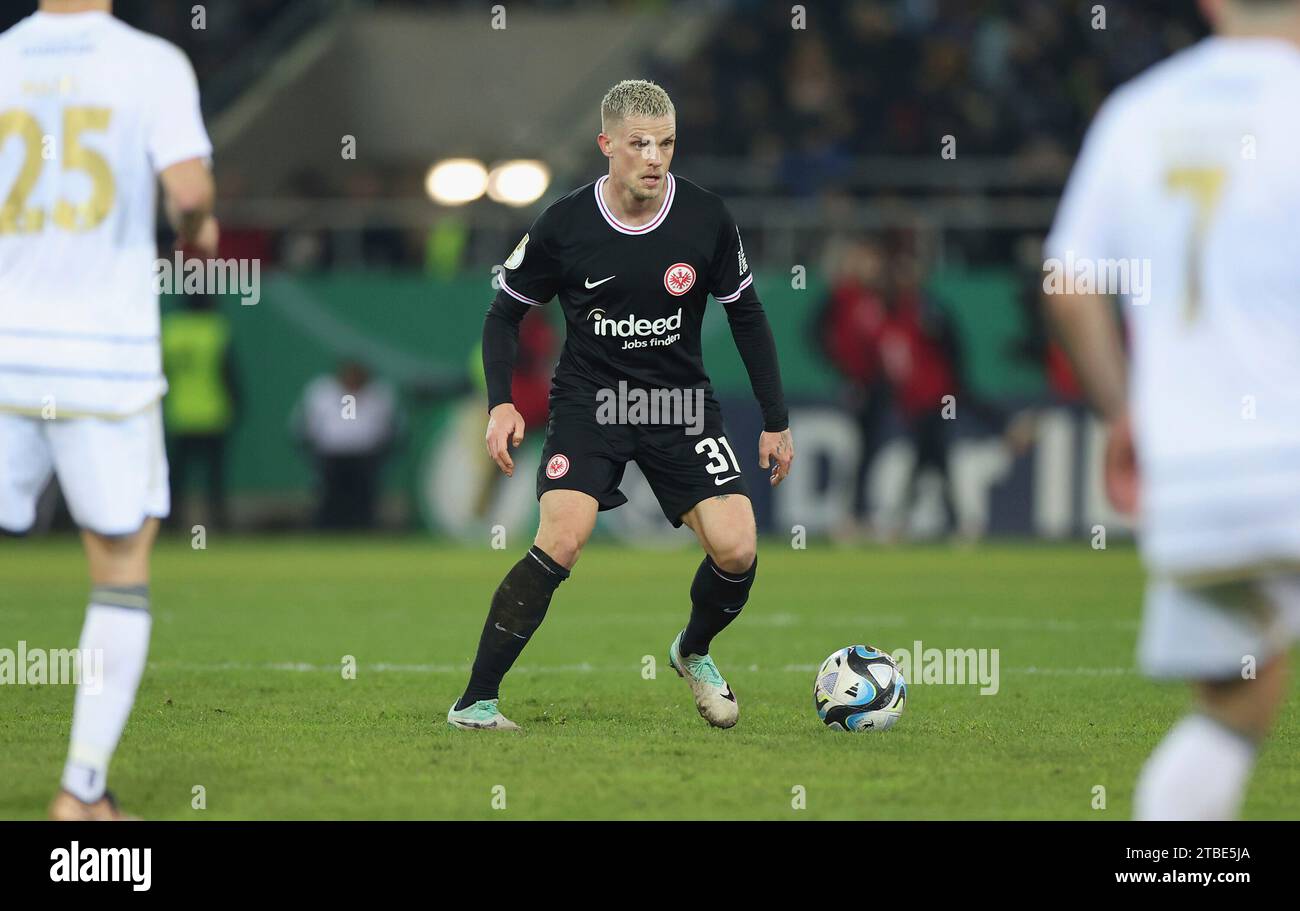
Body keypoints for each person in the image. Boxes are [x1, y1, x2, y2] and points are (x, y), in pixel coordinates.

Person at [449, 79, 793, 731]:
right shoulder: (565, 224)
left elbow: (746, 315)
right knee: (562, 538)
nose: (654, 158)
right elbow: (503, 314)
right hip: (592, 403)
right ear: (606, 144)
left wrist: (775, 420)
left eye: (666, 143)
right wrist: (501, 403)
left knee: (737, 549)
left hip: (678, 405)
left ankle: (692, 651)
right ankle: (476, 703)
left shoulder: (706, 217)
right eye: (639, 144)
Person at [1045, 0, 1300, 819]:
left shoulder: (1139, 112)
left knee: (1230, 711)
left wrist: (1126, 412)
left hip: (1196, 475)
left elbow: (1068, 281)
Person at [0, 0, 216, 819]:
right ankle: (80, 790)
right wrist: (196, 228)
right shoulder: (150, 63)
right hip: (102, 359)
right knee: (120, 565)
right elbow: (188, 191)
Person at [162, 294, 239, 531]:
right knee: (215, 478)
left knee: (177, 477)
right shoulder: (214, 328)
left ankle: (170, 522)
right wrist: (237, 403)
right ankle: (219, 522)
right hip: (212, 412)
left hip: (180, 413)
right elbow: (228, 371)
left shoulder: (171, 329)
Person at [293, 360, 400, 530]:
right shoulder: (322, 392)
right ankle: (327, 528)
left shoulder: (379, 395)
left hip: (365, 457)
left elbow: (388, 428)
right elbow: (306, 426)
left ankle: (363, 528)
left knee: (363, 498)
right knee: (330, 497)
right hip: (331, 456)